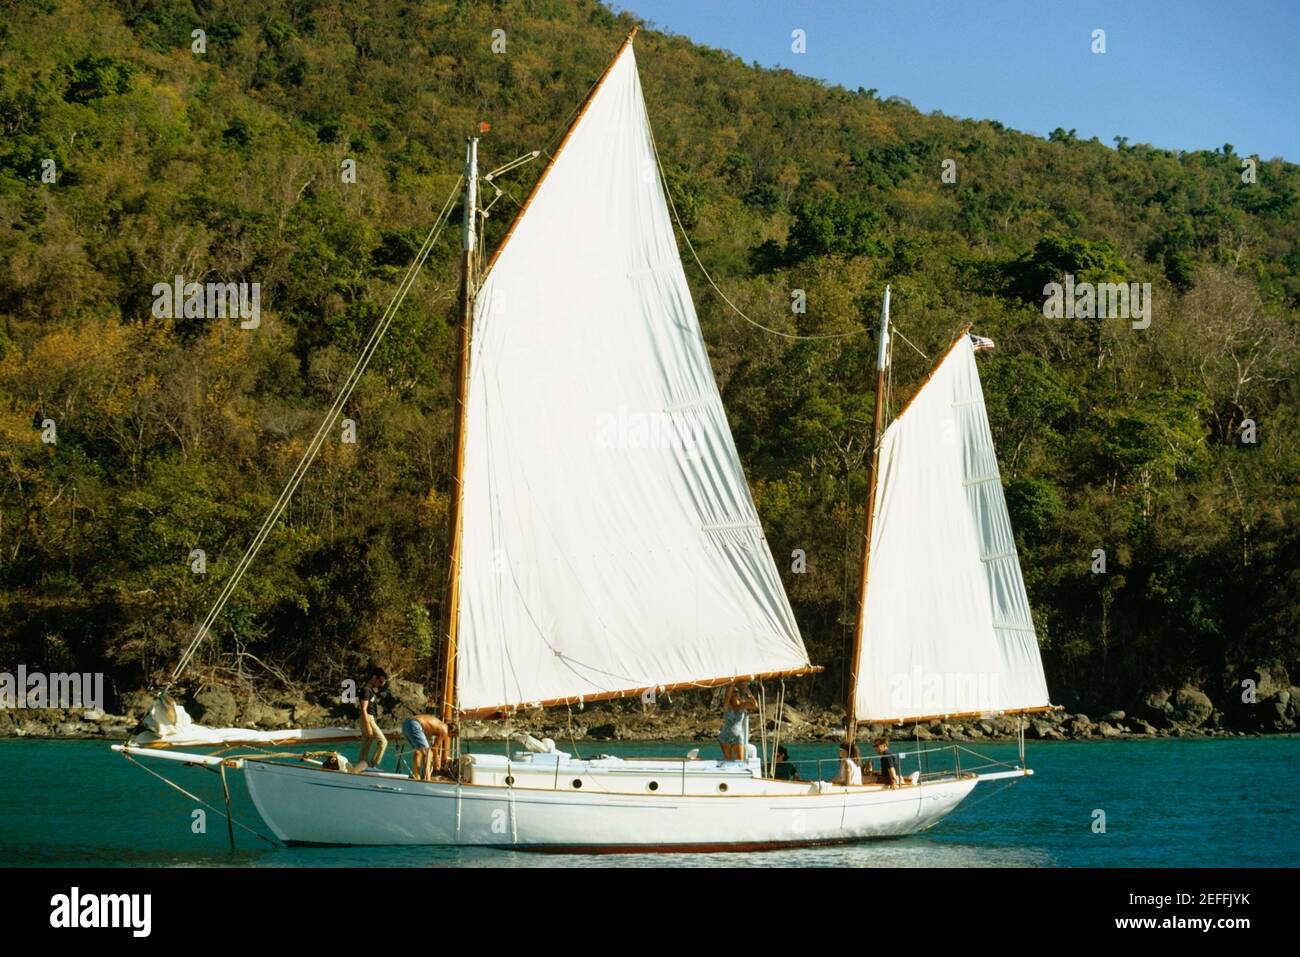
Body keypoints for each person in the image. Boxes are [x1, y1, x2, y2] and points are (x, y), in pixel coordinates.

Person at [402, 714, 455, 781]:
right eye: (452, 736)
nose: (449, 737)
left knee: (418, 752)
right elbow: (434, 747)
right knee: (428, 753)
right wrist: (436, 762)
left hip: (406, 724)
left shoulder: (439, 724)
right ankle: (427, 778)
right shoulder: (445, 729)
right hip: (415, 724)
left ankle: (416, 776)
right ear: (452, 731)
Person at [355, 667, 387, 771]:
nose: (380, 684)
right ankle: (373, 766)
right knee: (383, 742)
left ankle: (361, 766)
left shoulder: (369, 690)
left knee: (366, 744)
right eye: (380, 681)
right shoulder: (366, 690)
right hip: (367, 718)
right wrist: (368, 725)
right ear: (374, 677)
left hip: (368, 718)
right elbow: (363, 709)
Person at [718, 681, 758, 761]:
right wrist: (732, 683)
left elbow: (755, 705)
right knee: (728, 760)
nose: (736, 693)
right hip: (726, 735)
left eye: (737, 691)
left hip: (738, 736)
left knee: (740, 760)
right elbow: (727, 696)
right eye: (734, 691)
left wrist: (748, 692)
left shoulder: (742, 705)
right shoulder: (727, 706)